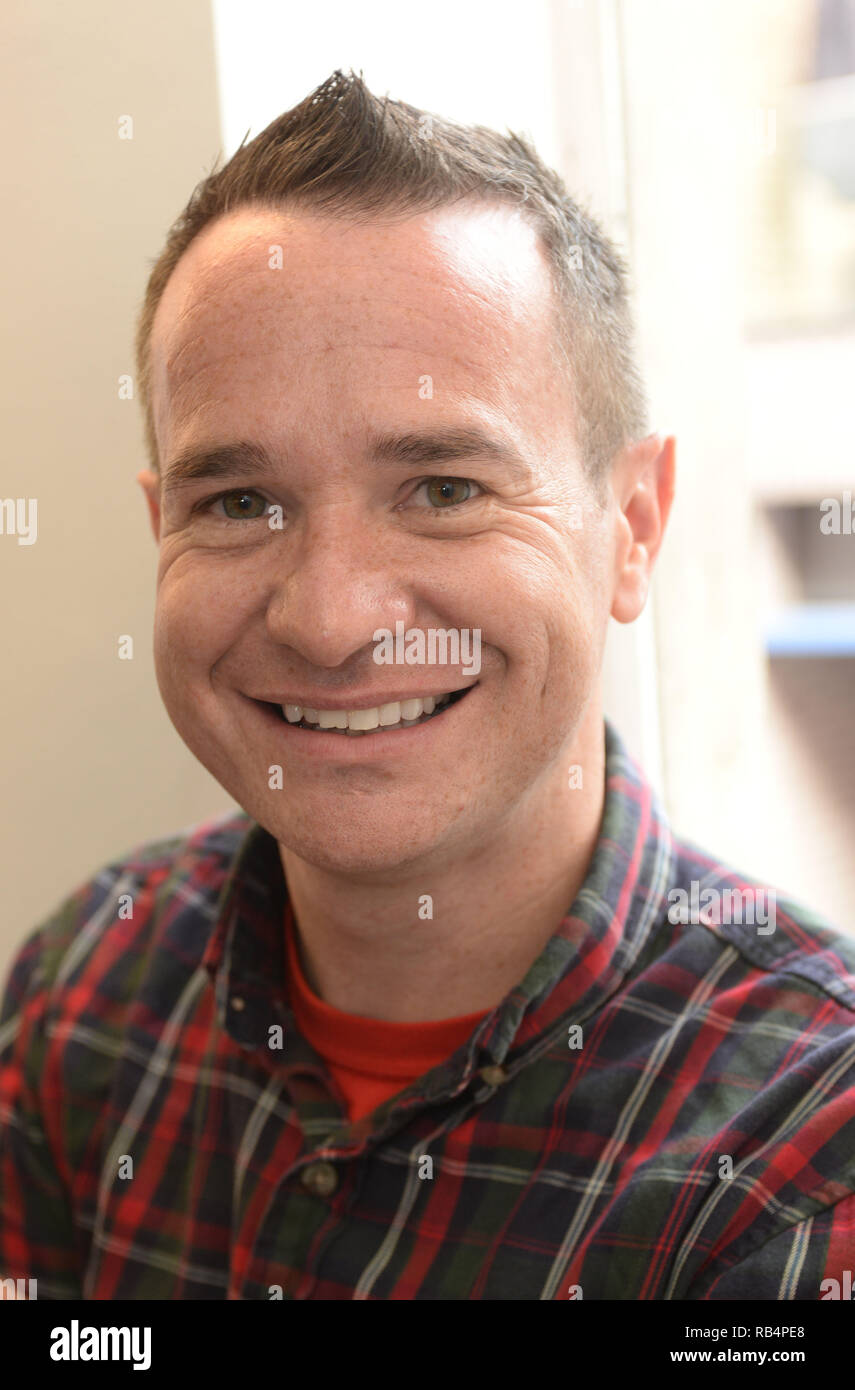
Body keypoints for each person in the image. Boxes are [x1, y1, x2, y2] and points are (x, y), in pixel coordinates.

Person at [2, 69, 854, 1302]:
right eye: (240, 503)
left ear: (631, 526)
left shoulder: (808, 1156)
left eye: (444, 489)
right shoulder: (82, 997)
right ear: (160, 529)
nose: (336, 618)